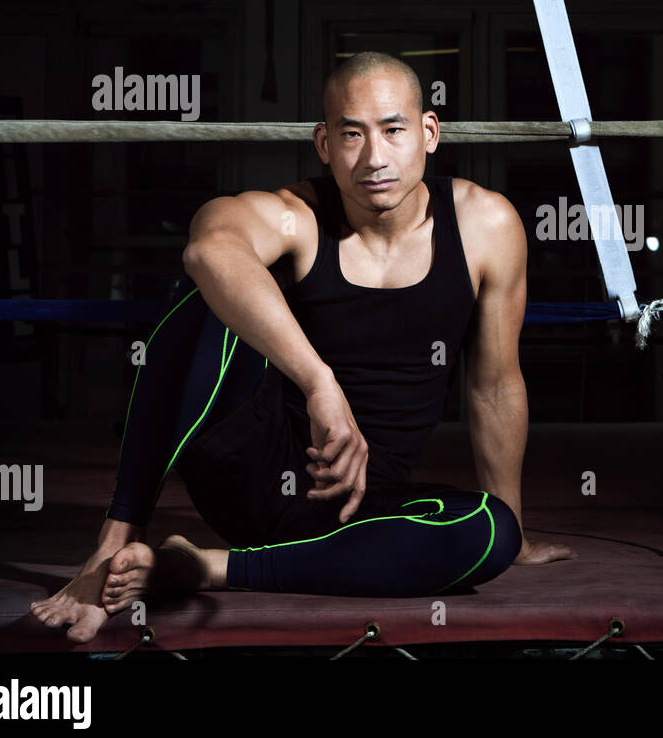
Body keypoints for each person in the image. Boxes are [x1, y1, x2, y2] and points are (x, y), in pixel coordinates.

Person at [31, 51, 575, 644]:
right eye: (351, 135)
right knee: (206, 298)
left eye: (393, 130)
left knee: (488, 532)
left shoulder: (485, 225)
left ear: (429, 132)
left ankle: (206, 567)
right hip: (248, 473)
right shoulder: (295, 217)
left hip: (365, 506)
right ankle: (111, 546)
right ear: (323, 143)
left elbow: (493, 384)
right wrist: (321, 384)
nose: (375, 157)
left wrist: (516, 529)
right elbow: (209, 251)